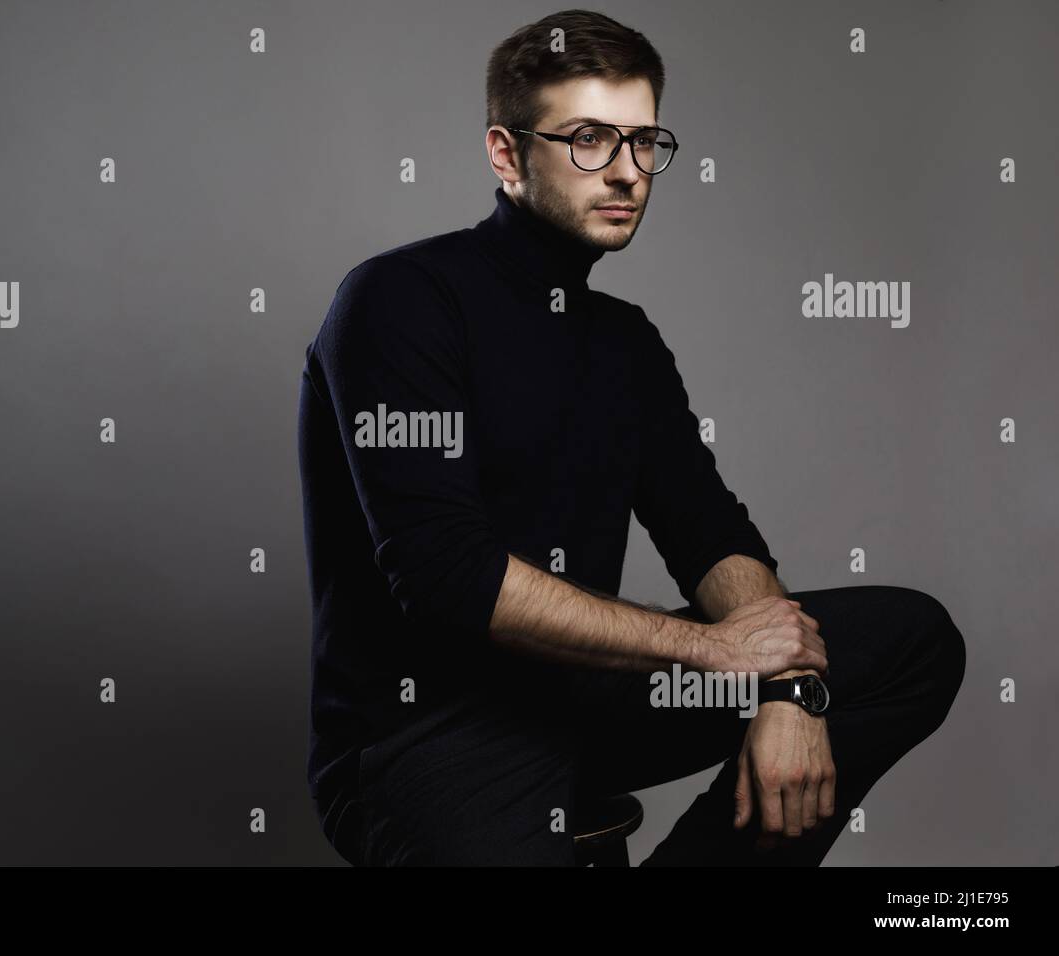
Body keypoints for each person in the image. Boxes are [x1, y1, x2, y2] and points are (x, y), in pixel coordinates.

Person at [296, 10, 965, 866]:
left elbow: (709, 531)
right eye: (587, 140)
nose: (625, 173)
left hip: (586, 704)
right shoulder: (399, 300)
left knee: (912, 640)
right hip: (426, 732)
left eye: (644, 142)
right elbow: (447, 582)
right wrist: (717, 650)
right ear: (505, 153)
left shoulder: (624, 339)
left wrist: (792, 688)